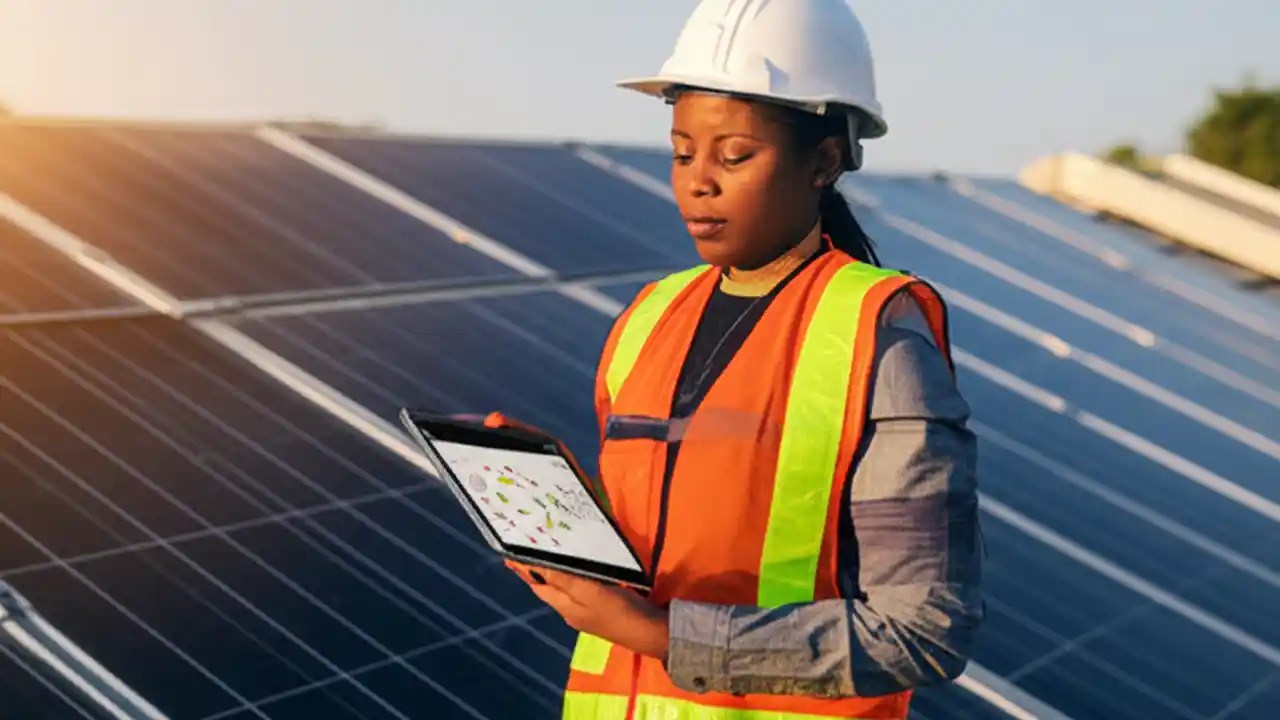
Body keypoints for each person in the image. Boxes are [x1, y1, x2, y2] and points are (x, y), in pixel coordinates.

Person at [492, 1, 984, 717]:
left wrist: (661, 635)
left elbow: (922, 630)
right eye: (682, 152)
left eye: (734, 155)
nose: (699, 181)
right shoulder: (648, 318)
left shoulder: (878, 335)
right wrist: (570, 522)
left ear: (824, 161)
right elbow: (681, 541)